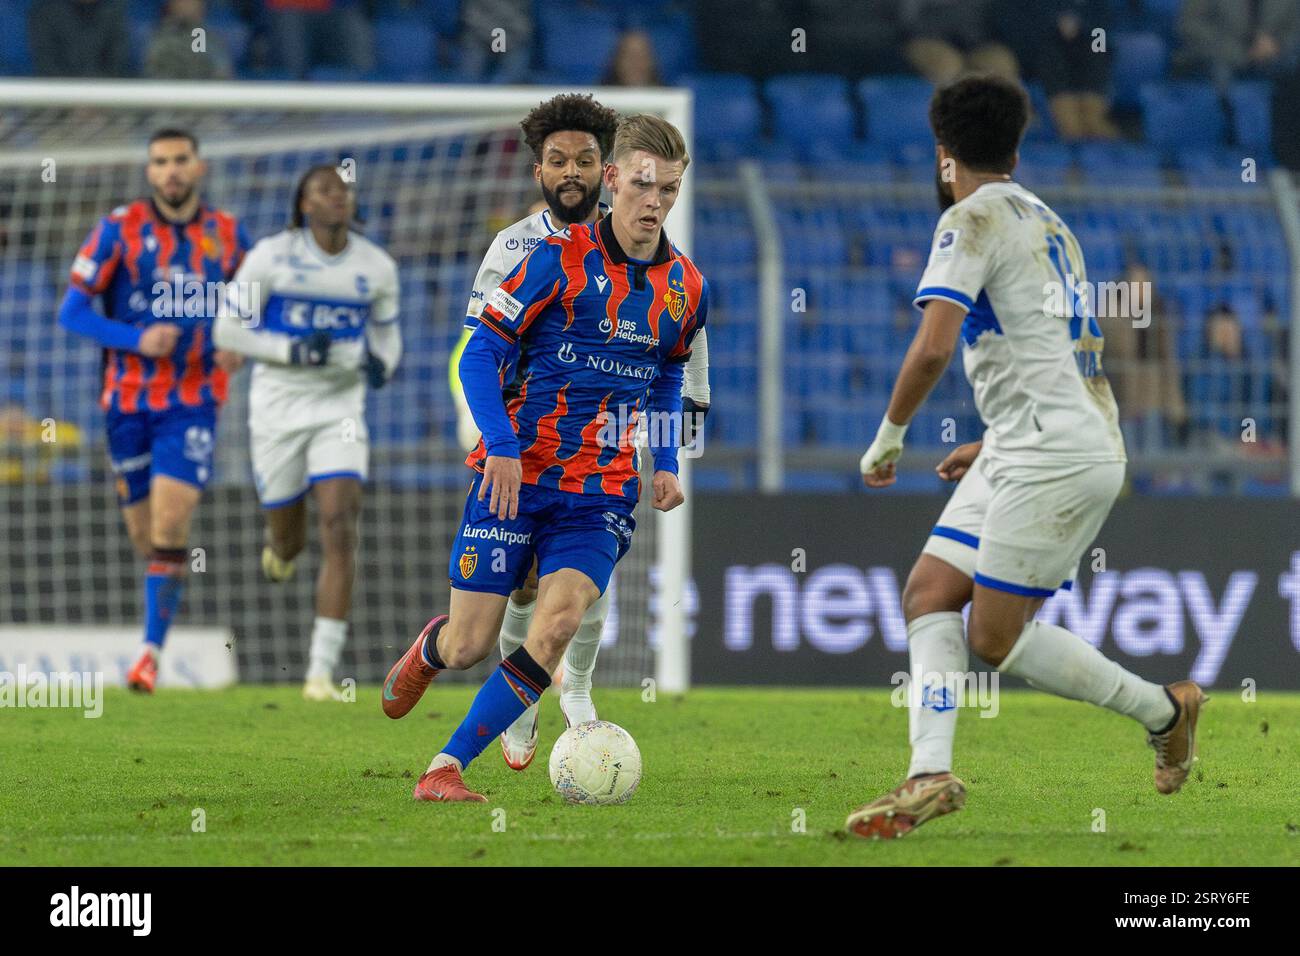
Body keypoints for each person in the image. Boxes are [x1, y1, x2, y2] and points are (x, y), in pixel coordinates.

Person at [850, 75, 1206, 839]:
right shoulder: (1049, 222)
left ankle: (1163, 710)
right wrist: (997, 431)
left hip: (1056, 453)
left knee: (993, 638)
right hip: (1036, 437)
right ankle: (929, 773)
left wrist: (889, 435)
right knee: (929, 591)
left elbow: (933, 345)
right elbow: (1055, 349)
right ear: (1016, 147)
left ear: (944, 157)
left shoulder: (968, 221)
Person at [382, 114, 707, 803]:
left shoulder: (686, 287)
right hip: (518, 476)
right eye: (644, 184)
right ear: (613, 180)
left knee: (556, 623)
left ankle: (445, 767)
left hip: (601, 491)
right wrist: (498, 444)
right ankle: (430, 651)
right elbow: (479, 352)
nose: (655, 201)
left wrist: (670, 458)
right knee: (470, 645)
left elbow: (671, 373)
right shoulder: (551, 259)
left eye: (670, 190)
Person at [58, 128, 250, 693]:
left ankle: (148, 655)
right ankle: (154, 621)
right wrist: (134, 339)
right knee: (149, 540)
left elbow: (261, 299)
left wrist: (243, 337)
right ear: (149, 172)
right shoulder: (118, 229)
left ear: (199, 167)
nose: (171, 170)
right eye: (160, 161)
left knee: (171, 524)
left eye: (180, 160)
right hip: (126, 402)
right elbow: (72, 312)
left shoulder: (229, 235)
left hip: (193, 401)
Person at [213, 165, 401, 701]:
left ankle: (320, 672)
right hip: (276, 409)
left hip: (339, 407)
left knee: (340, 522)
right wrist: (289, 350)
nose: (337, 196)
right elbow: (226, 330)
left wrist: (380, 366)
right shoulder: (272, 256)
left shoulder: (377, 266)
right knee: (289, 540)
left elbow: (388, 340)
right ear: (303, 205)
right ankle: (278, 547)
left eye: (343, 189)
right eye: (324, 190)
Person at [1102, 263, 1188, 452]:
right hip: (1123, 394)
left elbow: (1167, 360)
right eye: (1136, 283)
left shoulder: (1158, 313)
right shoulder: (1112, 311)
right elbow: (1118, 349)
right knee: (1127, 449)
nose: (1141, 288)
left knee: (1153, 444)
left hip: (1153, 394)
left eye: (1144, 283)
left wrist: (1176, 406)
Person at [29, 0, 132, 78]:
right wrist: (74, 99)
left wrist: (94, 98)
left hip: (106, 96)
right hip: (56, 97)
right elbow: (47, 65)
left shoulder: (114, 13)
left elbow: (116, 64)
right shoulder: (46, 14)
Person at [146, 0, 235, 81]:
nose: (188, 5)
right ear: (172, 5)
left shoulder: (212, 40)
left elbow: (222, 75)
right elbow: (153, 74)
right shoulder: (160, 38)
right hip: (169, 95)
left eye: (193, 2)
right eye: (183, 1)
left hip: (205, 95)